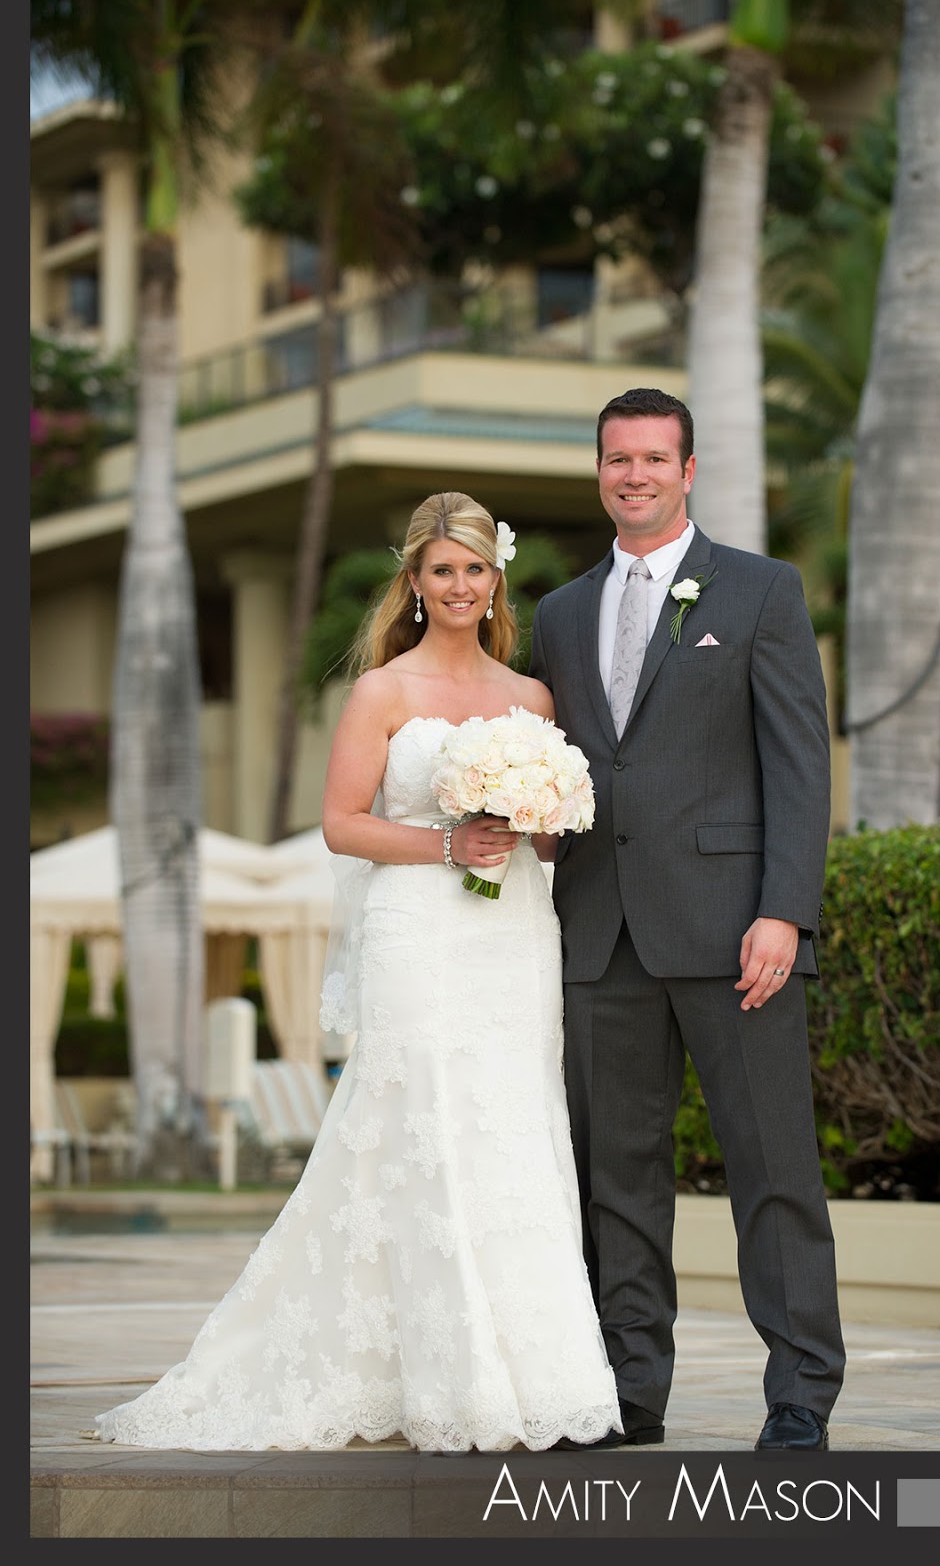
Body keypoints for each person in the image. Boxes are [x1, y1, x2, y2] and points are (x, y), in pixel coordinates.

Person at [95, 491, 621, 1455]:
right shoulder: (383, 691)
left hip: (514, 939)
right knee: (421, 1121)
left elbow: (548, 843)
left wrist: (539, 815)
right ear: (414, 582)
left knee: (513, 1124)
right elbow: (343, 824)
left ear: (494, 578)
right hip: (418, 929)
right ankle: (434, 1375)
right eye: (442, 570)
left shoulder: (534, 698)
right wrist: (450, 843)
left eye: (473, 568)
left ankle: (533, 1375)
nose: (459, 586)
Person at [529, 386, 845, 1452]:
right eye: (617, 458)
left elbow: (799, 762)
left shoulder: (760, 590)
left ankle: (799, 1395)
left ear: (687, 470)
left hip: (734, 934)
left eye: (653, 458)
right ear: (600, 471)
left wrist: (783, 912)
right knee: (616, 1176)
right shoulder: (559, 613)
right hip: (598, 932)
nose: (634, 475)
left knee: (773, 1170)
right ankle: (630, 1389)